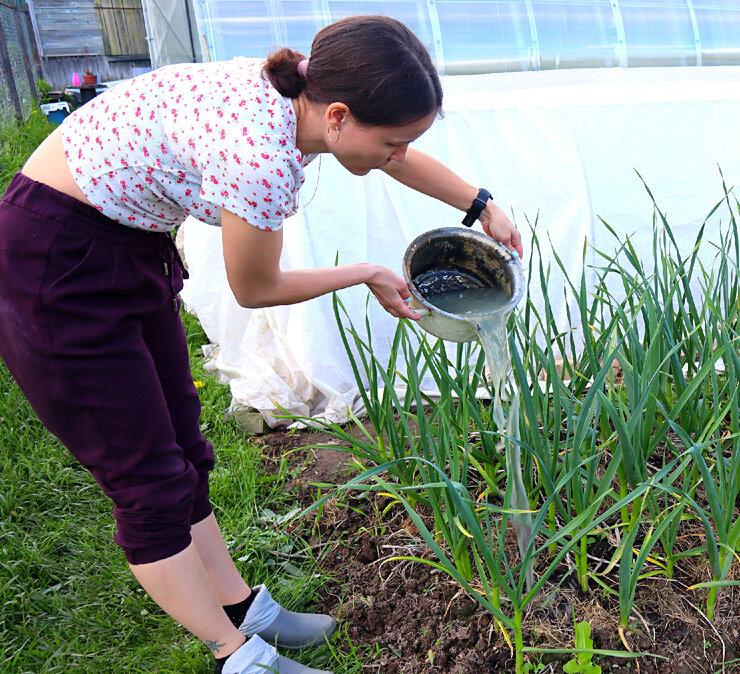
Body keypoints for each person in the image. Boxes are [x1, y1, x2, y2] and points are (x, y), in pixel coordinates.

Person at [0, 15, 521, 674]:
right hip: (55, 265)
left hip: (122, 240)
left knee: (183, 445)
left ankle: (245, 609)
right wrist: (364, 272)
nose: (397, 155)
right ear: (337, 117)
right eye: (391, 143)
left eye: (403, 143)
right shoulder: (264, 159)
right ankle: (236, 656)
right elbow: (255, 287)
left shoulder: (306, 84)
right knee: (145, 480)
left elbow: (396, 151)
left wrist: (481, 204)